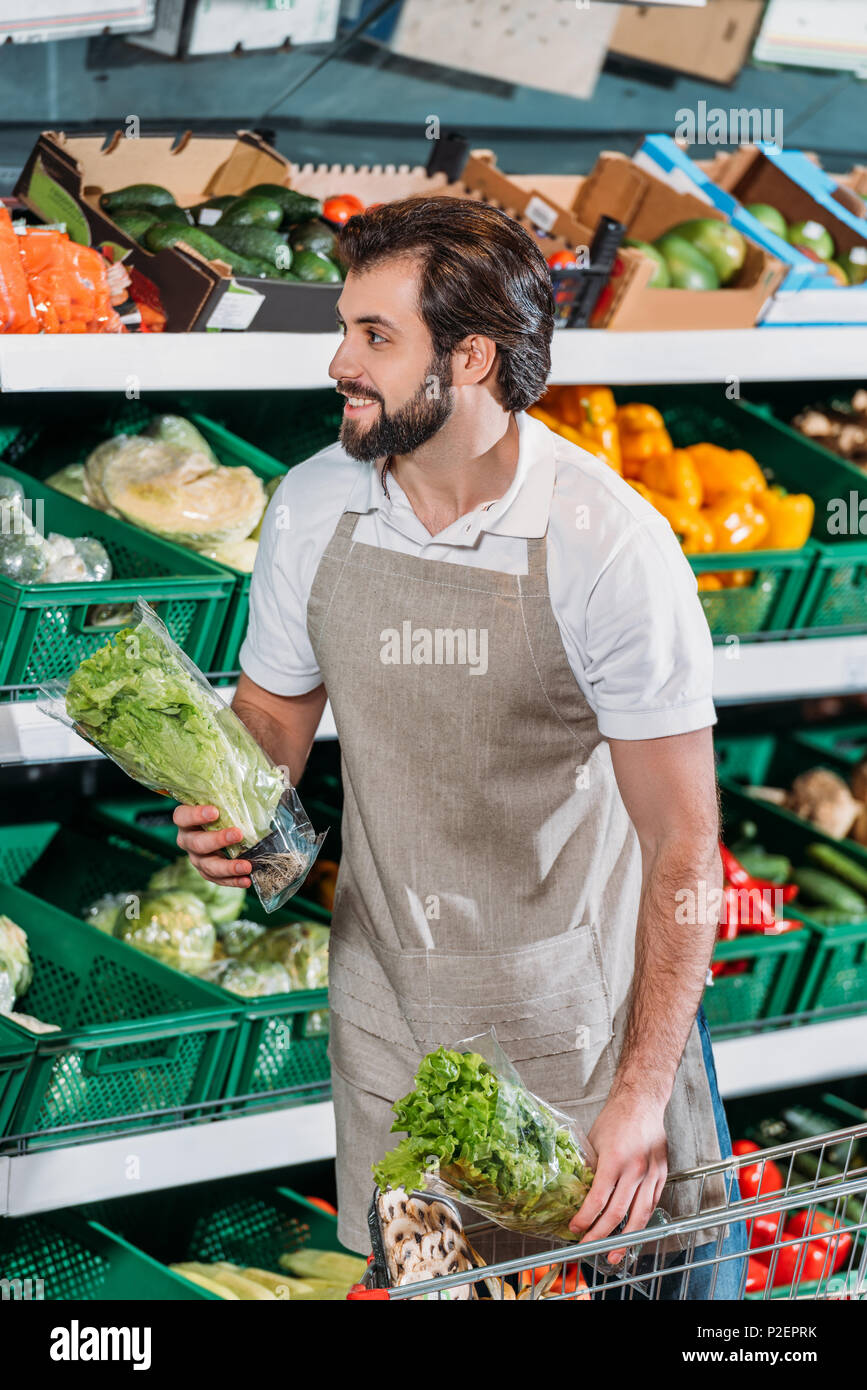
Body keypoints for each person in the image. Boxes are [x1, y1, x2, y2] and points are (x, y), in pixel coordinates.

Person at [174, 196, 747, 1298]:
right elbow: (274, 721)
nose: (341, 360)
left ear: (472, 355)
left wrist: (640, 1091)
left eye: (375, 337)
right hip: (395, 1014)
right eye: (345, 328)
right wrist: (235, 795)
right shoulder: (312, 508)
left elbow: (684, 845)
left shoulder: (606, 545)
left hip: (579, 1035)